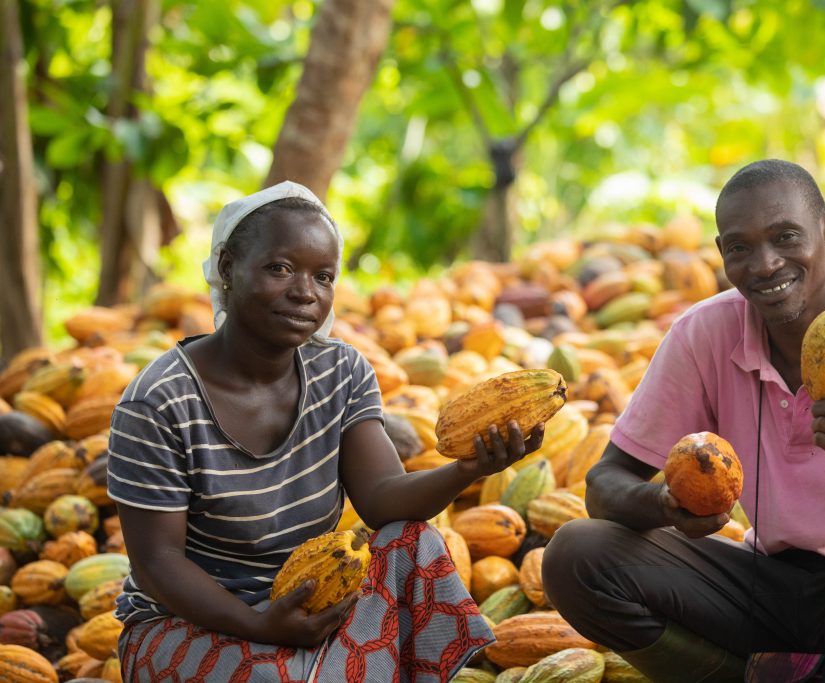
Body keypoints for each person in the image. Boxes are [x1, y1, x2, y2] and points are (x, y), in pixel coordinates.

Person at [542, 160, 825, 682]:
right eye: (739, 248)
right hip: (776, 585)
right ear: (721, 254)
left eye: (785, 237)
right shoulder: (703, 333)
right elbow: (605, 482)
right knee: (575, 555)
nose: (763, 265)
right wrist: (667, 506)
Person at [107, 181, 544, 682]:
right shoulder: (157, 401)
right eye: (280, 268)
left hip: (314, 591)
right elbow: (157, 563)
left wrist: (471, 468)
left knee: (416, 543)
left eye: (323, 276)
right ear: (228, 269)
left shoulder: (341, 371)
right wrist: (259, 624)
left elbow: (382, 500)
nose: (304, 292)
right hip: (193, 619)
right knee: (272, 677)